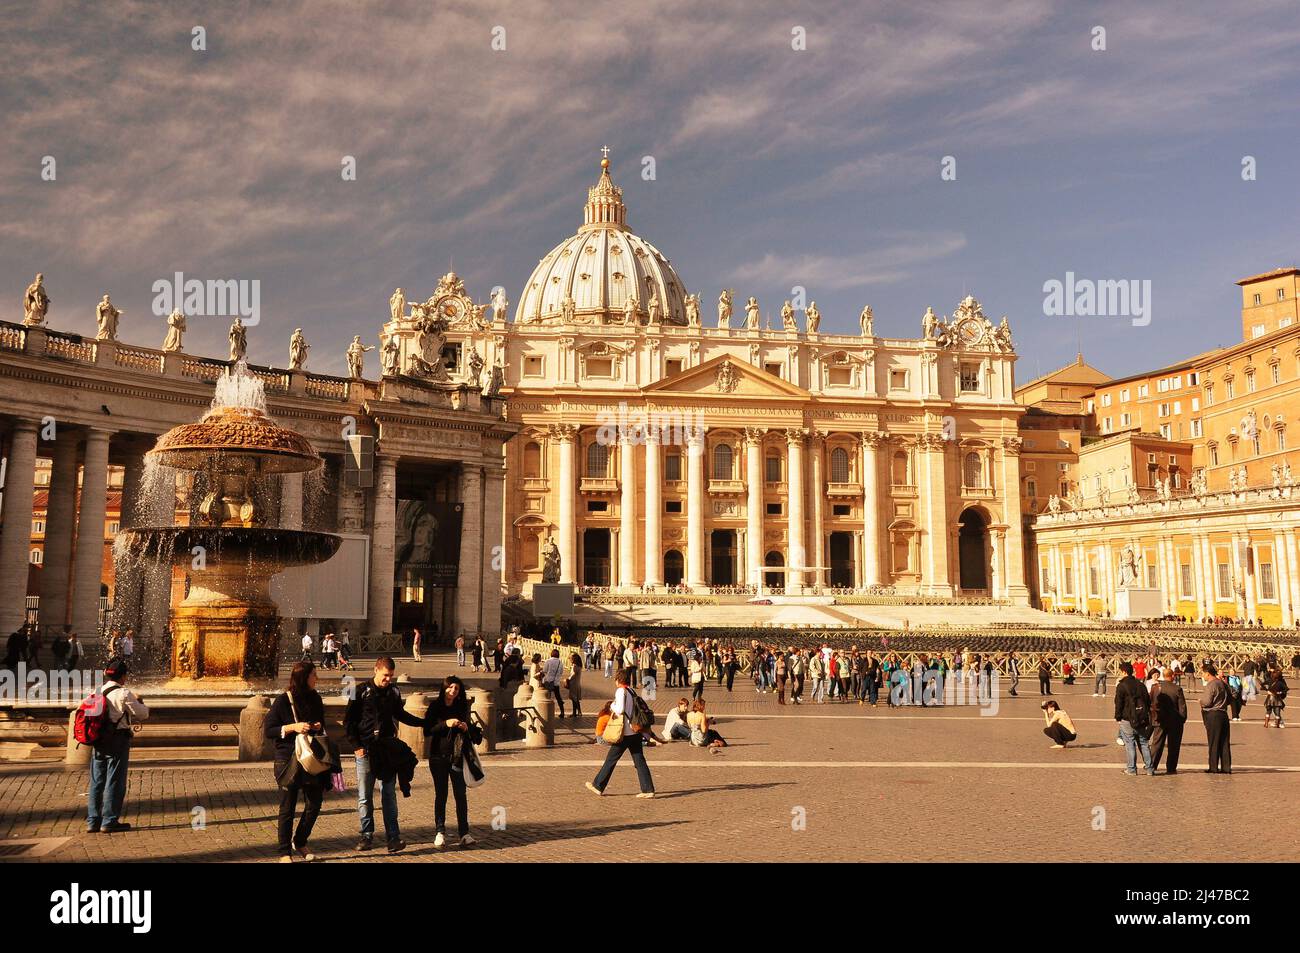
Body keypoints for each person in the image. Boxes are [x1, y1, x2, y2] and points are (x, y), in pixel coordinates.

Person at [343, 657, 425, 852]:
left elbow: (401, 715)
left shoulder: (394, 691)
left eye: (390, 676)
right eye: (385, 675)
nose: (388, 679)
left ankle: (393, 838)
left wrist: (424, 722)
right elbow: (349, 721)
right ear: (376, 670)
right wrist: (356, 746)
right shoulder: (360, 690)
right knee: (365, 795)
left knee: (388, 794)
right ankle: (366, 835)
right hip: (365, 749)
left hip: (387, 750)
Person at [265, 661, 329, 862]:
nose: (316, 678)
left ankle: (300, 841)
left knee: (315, 803)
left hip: (311, 757)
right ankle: (284, 852)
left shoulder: (316, 698)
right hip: (288, 757)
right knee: (288, 806)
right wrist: (293, 727)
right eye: (313, 675)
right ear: (304, 677)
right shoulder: (284, 700)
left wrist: (317, 726)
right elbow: (269, 730)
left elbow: (321, 725)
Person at [86, 658, 150, 833]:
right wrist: (141, 700)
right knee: (115, 780)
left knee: (96, 782)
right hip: (118, 740)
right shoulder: (124, 693)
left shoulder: (96, 691)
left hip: (98, 741)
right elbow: (142, 714)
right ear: (123, 676)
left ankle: (92, 821)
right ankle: (109, 820)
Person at [423, 675, 480, 848]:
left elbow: (470, 729)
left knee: (460, 795)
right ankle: (440, 832)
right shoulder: (435, 706)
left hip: (457, 756)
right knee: (441, 795)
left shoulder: (462, 706)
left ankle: (464, 833)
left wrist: (465, 727)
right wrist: (445, 724)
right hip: (438, 756)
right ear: (444, 688)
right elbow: (427, 730)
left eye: (456, 689)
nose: (452, 691)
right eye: (450, 688)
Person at [585, 668, 655, 798]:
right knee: (639, 760)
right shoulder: (631, 690)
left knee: (610, 760)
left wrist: (612, 706)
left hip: (625, 733)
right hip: (635, 731)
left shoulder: (620, 691)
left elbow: (620, 709)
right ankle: (648, 789)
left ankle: (598, 785)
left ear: (618, 680)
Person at [1114, 661, 1155, 776]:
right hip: (1141, 717)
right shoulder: (1140, 684)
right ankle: (1149, 769)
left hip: (1127, 718)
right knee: (1143, 743)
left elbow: (1118, 703)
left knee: (1130, 743)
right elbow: (1147, 700)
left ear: (1124, 671)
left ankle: (1132, 769)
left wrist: (1118, 717)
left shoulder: (1121, 685)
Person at [1149, 667, 1187, 775]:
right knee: (1173, 745)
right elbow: (1182, 707)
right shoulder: (1177, 689)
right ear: (1173, 676)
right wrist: (1182, 719)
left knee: (1156, 743)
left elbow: (1151, 702)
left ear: (1162, 675)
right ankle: (1171, 768)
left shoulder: (1155, 687)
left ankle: (1151, 765)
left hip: (1159, 719)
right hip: (1175, 721)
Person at [1199, 663, 1232, 774]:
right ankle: (1226, 767)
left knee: (1213, 741)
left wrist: (1201, 702)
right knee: (1224, 742)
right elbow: (1230, 698)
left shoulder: (1211, 684)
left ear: (1208, 674)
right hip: (1223, 714)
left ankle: (1213, 767)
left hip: (1213, 715)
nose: (1201, 675)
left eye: (1202, 673)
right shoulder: (1222, 683)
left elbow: (1207, 702)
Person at [540, 648, 567, 717]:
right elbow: (561, 672)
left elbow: (545, 670)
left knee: (546, 697)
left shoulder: (548, 661)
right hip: (556, 682)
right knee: (558, 697)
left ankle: (545, 712)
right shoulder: (560, 662)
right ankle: (562, 712)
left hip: (547, 681)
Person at [566, 651, 584, 718]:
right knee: (575, 699)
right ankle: (577, 712)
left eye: (571, 658)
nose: (570, 660)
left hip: (573, 684)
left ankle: (576, 713)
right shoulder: (579, 666)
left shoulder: (575, 666)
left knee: (574, 699)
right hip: (577, 683)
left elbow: (573, 674)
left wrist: (568, 678)